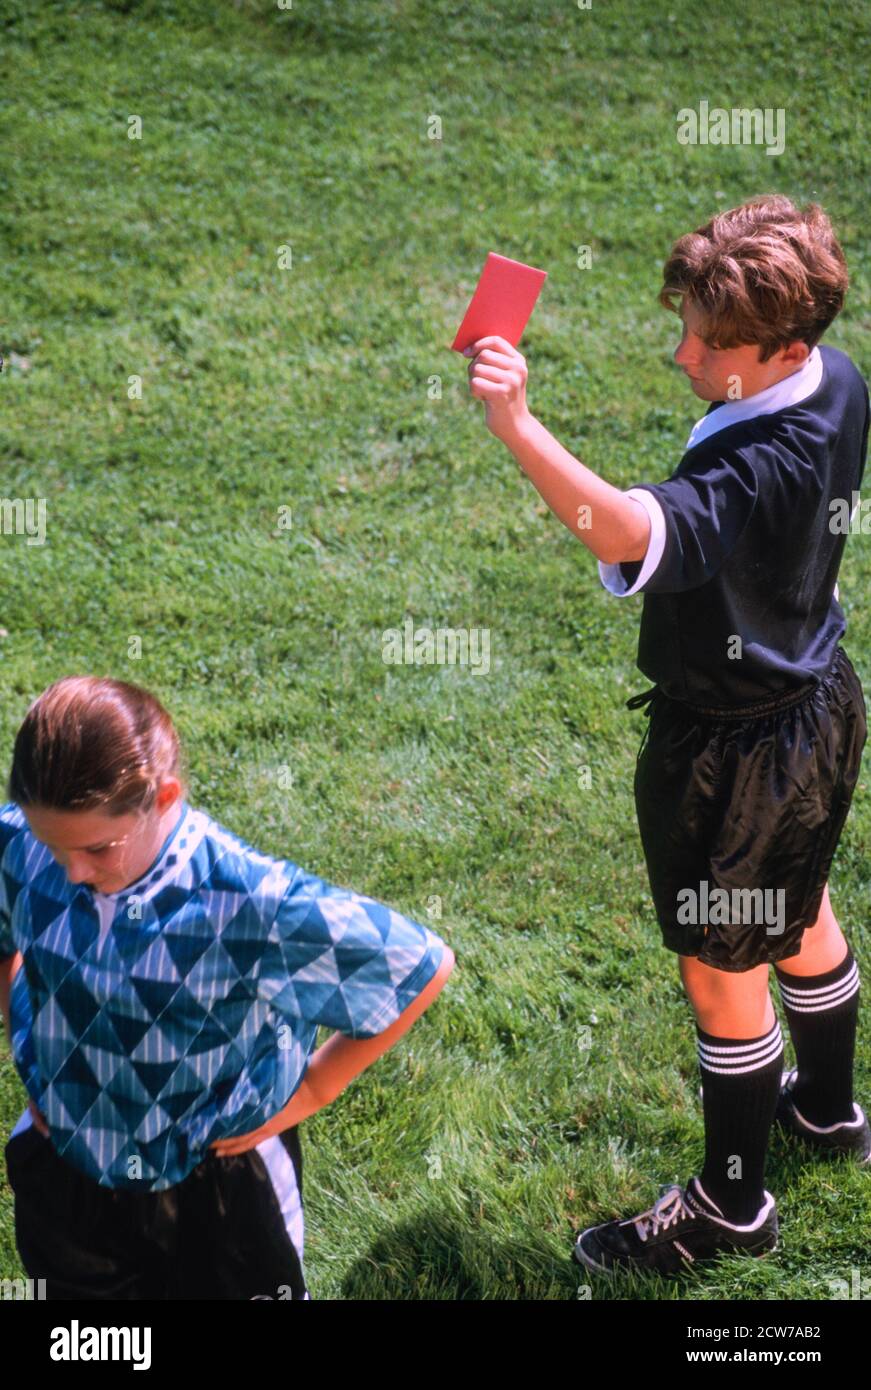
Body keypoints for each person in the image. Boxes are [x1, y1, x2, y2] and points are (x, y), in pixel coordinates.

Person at [464, 194, 870, 1276]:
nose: (679, 353)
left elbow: (631, 528)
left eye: (708, 340)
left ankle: (729, 1209)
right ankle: (827, 1111)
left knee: (720, 970)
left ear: (783, 345)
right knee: (803, 908)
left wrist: (518, 426)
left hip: (732, 759)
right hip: (819, 702)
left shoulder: (757, 470)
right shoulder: (838, 384)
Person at [0, 675, 455, 1299]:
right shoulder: (23, 844)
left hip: (219, 1187)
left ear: (163, 798)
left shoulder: (247, 902)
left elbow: (419, 964)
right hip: (69, 1173)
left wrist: (315, 1088)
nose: (73, 871)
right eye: (55, 848)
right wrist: (31, 1051)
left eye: (98, 848)